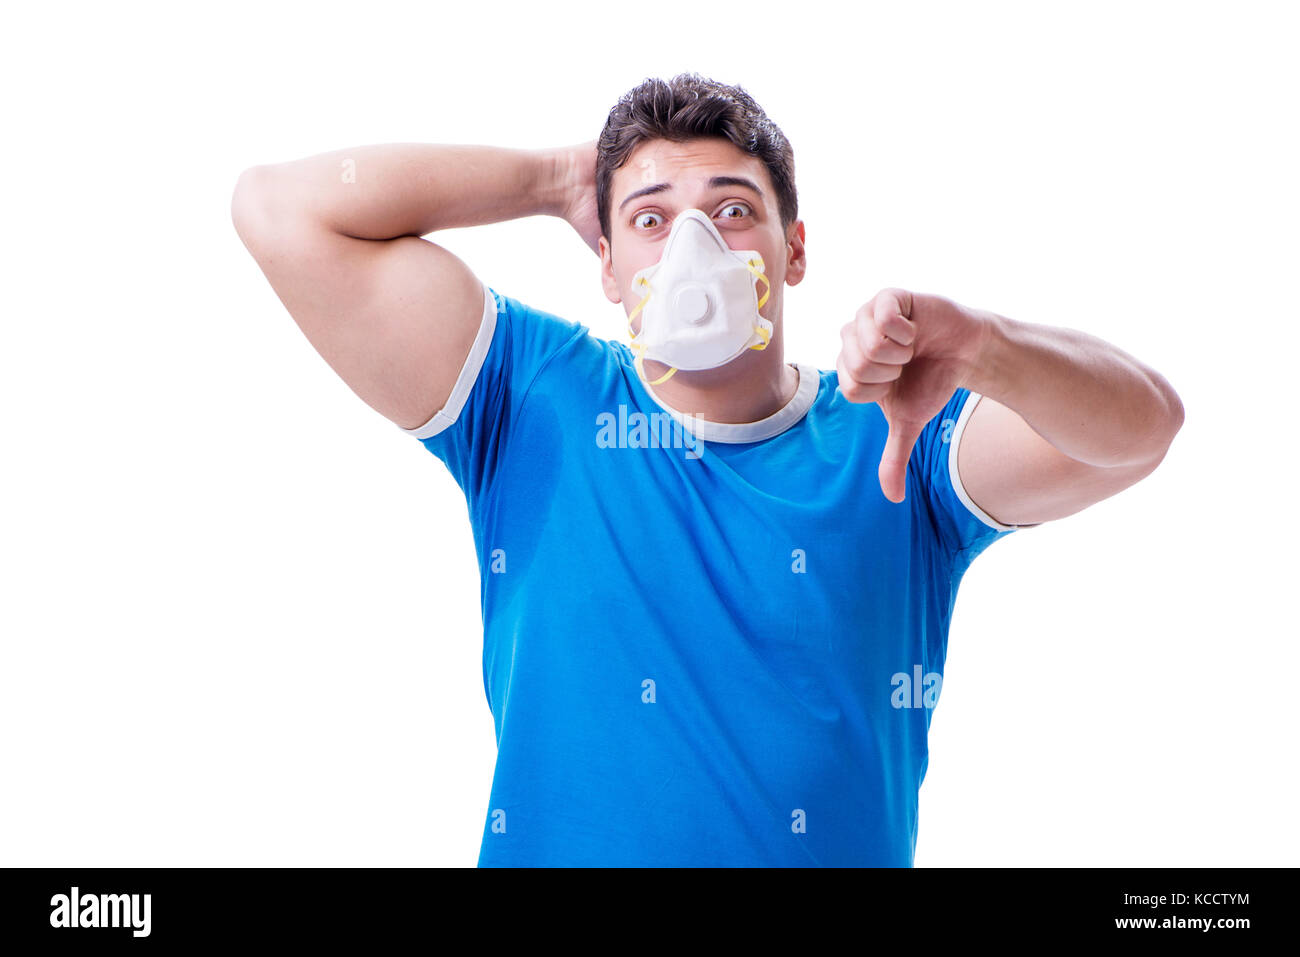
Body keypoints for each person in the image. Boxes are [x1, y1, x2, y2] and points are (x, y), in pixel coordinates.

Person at [231, 72, 1184, 866]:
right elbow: (278, 209)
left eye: (733, 210)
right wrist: (558, 177)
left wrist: (984, 349)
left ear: (793, 250)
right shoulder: (529, 400)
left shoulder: (899, 435)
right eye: (649, 220)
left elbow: (1142, 428)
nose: (694, 244)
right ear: (607, 266)